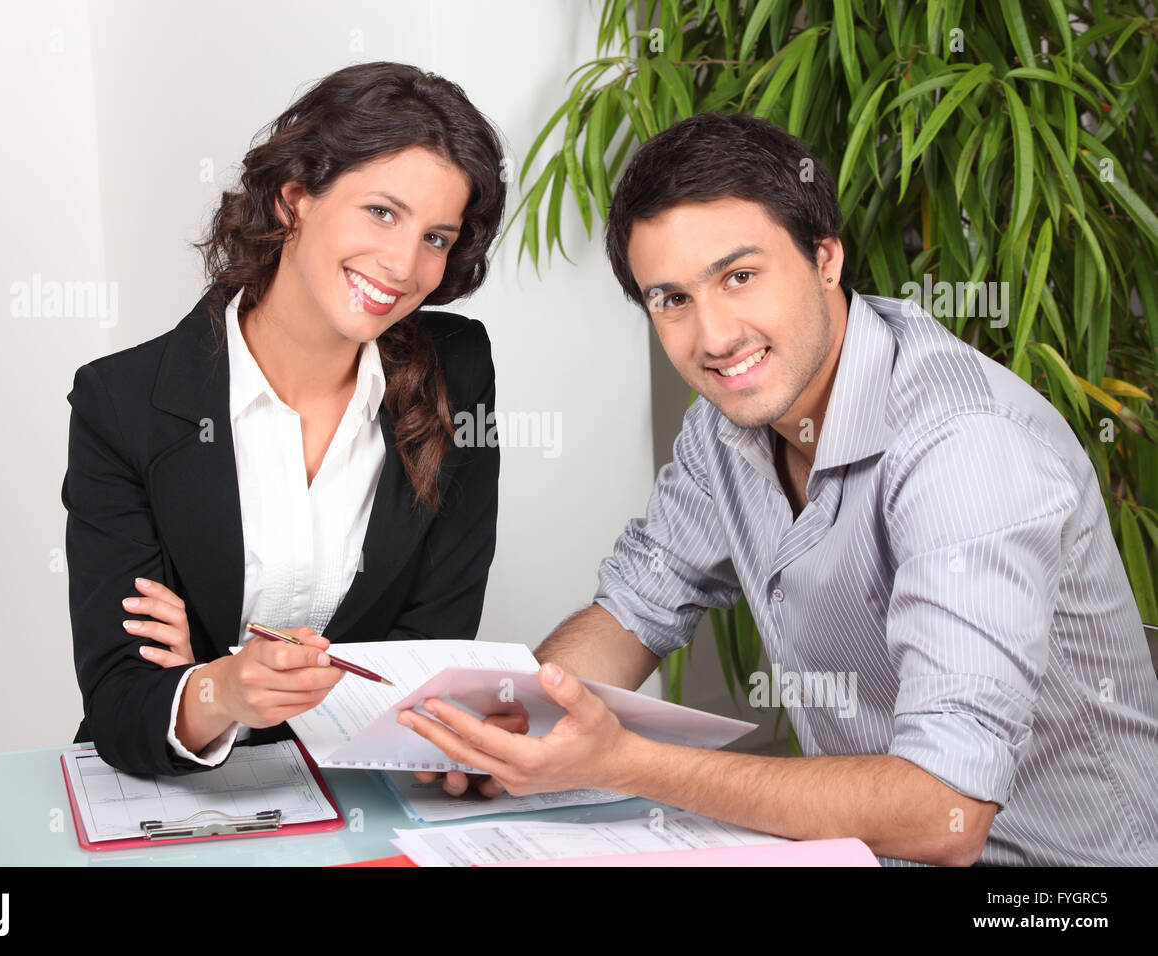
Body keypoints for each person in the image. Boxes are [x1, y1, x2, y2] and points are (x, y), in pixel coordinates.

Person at [398, 112, 1158, 866]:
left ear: (825, 257)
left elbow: (943, 810)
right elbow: (633, 609)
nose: (715, 336)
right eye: (672, 299)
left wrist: (618, 760)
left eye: (739, 276)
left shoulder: (967, 449)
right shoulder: (726, 425)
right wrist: (518, 719)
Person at [63, 61, 507, 777]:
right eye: (382, 212)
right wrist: (222, 690)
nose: (402, 265)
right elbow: (121, 704)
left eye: (436, 236)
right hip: (169, 801)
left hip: (357, 791)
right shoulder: (124, 403)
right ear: (295, 198)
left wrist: (192, 677)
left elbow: (433, 648)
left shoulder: (459, 370)